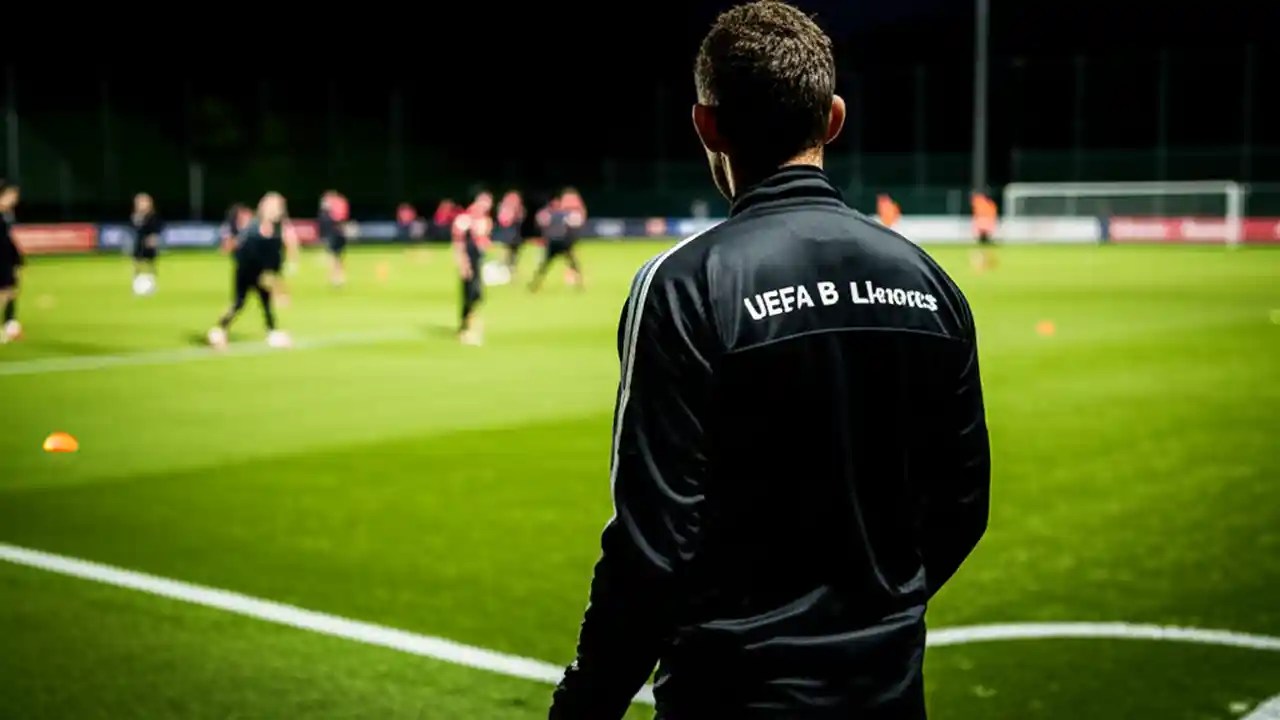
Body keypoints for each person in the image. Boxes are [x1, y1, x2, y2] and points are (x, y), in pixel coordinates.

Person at [548, 4, 990, 719]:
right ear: (834, 118)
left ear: (706, 126)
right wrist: (872, 616)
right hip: (887, 695)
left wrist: (585, 706)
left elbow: (652, 547)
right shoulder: (929, 283)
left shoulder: (685, 285)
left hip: (730, 696)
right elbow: (963, 505)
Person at [207, 192, 296, 349]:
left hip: (262, 271)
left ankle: (272, 332)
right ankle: (219, 329)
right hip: (247, 270)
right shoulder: (253, 228)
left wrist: (276, 280)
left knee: (265, 303)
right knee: (239, 302)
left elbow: (277, 255)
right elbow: (241, 248)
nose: (278, 211)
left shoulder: (277, 229)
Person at [453, 190, 493, 346]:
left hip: (478, 260)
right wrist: (463, 264)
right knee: (468, 294)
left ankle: (469, 322)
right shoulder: (464, 220)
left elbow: (484, 241)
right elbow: (459, 244)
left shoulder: (485, 221)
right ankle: (464, 326)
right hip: (468, 260)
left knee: (478, 295)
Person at [528, 190, 586, 292]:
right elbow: (576, 222)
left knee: (546, 265)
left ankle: (534, 285)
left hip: (555, 243)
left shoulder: (549, 214)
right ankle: (580, 284)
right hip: (560, 242)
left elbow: (540, 222)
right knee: (571, 264)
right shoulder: (564, 214)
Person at [0, 180, 22, 342]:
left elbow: (7, 238)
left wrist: (17, 258)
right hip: (1, 258)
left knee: (10, 291)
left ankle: (10, 322)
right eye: (11, 195)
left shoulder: (8, 213)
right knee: (5, 292)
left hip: (6, 257)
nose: (14, 198)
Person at [130, 192, 163, 292]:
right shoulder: (136, 216)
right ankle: (136, 282)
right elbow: (134, 228)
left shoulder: (153, 216)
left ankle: (152, 283)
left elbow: (158, 228)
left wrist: (154, 238)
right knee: (137, 262)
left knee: (150, 263)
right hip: (139, 242)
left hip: (149, 242)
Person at [319, 190, 350, 287]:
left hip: (334, 233)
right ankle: (340, 277)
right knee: (339, 256)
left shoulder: (332, 204)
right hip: (340, 232)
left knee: (332, 256)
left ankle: (334, 277)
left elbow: (332, 219)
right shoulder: (342, 202)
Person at [494, 190, 526, 274]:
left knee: (514, 250)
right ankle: (503, 265)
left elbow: (521, 218)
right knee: (504, 249)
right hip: (506, 230)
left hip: (515, 232)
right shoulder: (503, 206)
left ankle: (511, 265)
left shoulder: (520, 208)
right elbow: (501, 218)